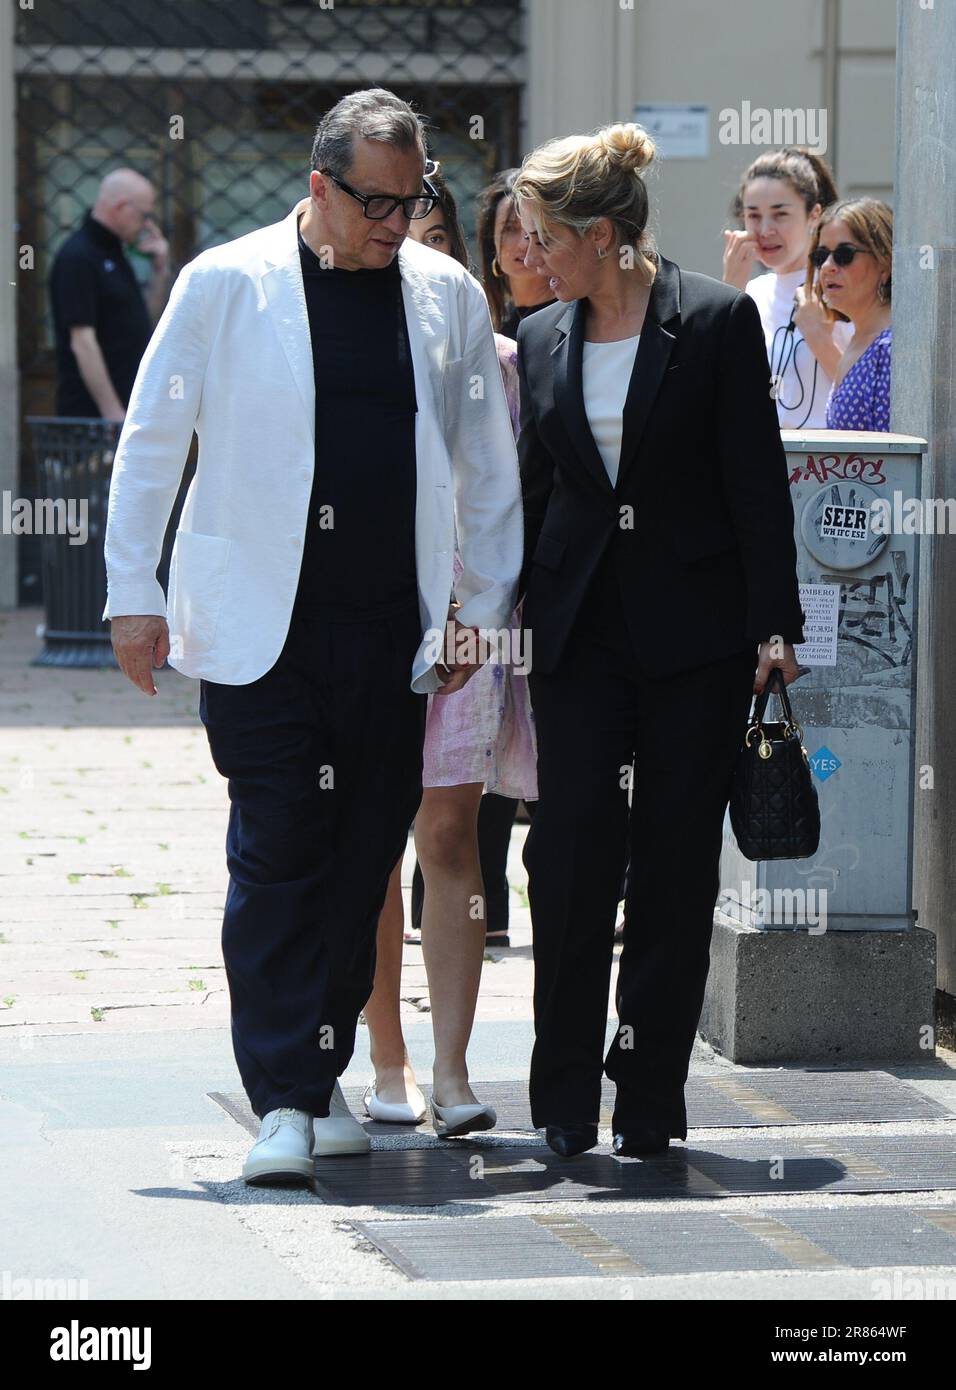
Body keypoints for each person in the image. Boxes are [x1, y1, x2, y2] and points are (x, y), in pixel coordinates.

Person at [101, 88, 523, 1185]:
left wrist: (479, 612)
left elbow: (487, 464)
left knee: (361, 856)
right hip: (259, 629)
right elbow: (152, 441)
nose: (393, 221)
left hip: (392, 630)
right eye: (373, 201)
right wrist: (130, 593)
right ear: (318, 187)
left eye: (411, 198)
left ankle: (318, 1067)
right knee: (279, 846)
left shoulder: (444, 296)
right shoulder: (224, 283)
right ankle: (283, 1095)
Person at [513, 122, 805, 1160]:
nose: (533, 254)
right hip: (576, 636)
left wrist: (773, 624)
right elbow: (534, 494)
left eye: (546, 236)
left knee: (674, 869)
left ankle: (646, 1097)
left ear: (600, 234)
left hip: (695, 640)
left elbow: (752, 481)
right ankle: (559, 1098)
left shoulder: (715, 321)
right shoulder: (544, 333)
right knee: (568, 860)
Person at [361, 170, 537, 1134]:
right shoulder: (347, 346)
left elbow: (504, 504)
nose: (414, 257)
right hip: (369, 619)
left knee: (450, 835)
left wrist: (484, 608)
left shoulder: (501, 362)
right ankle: (386, 1060)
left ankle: (455, 1069)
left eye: (433, 240)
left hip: (472, 621)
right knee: (371, 849)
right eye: (398, 237)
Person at [722, 147, 852, 430]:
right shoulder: (751, 292)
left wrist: (819, 337)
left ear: (814, 214)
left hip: (831, 466)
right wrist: (728, 295)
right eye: (753, 216)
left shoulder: (843, 285)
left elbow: (869, 394)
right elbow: (711, 386)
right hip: (762, 464)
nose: (765, 229)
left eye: (780, 214)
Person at [49, 168, 172, 420]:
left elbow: (141, 321)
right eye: (144, 215)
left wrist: (160, 272)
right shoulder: (79, 256)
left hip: (127, 406)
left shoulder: (115, 252)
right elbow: (82, 341)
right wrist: (112, 413)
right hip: (91, 418)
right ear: (121, 207)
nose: (148, 225)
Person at [807, 198, 893, 432]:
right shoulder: (860, 338)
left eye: (844, 254)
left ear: (884, 265)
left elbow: (896, 459)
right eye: (820, 255)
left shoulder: (890, 348)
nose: (827, 266)